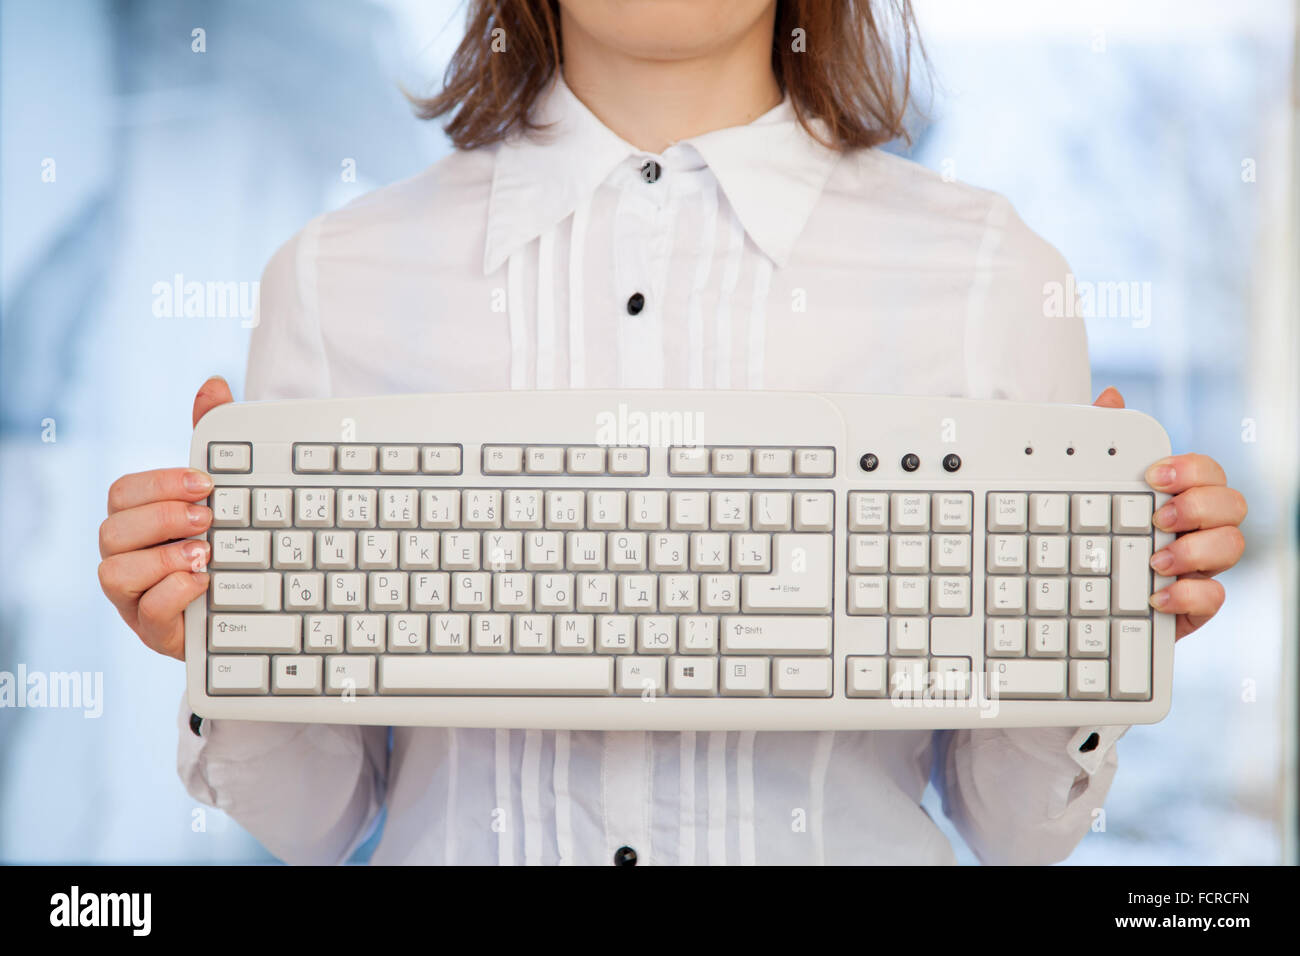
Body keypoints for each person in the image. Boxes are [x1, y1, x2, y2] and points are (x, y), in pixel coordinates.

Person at [96, 0, 1247, 865]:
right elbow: (319, 815)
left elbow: (1010, 823)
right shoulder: (335, 279)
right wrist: (216, 629)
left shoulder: (990, 279)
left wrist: (1095, 616)